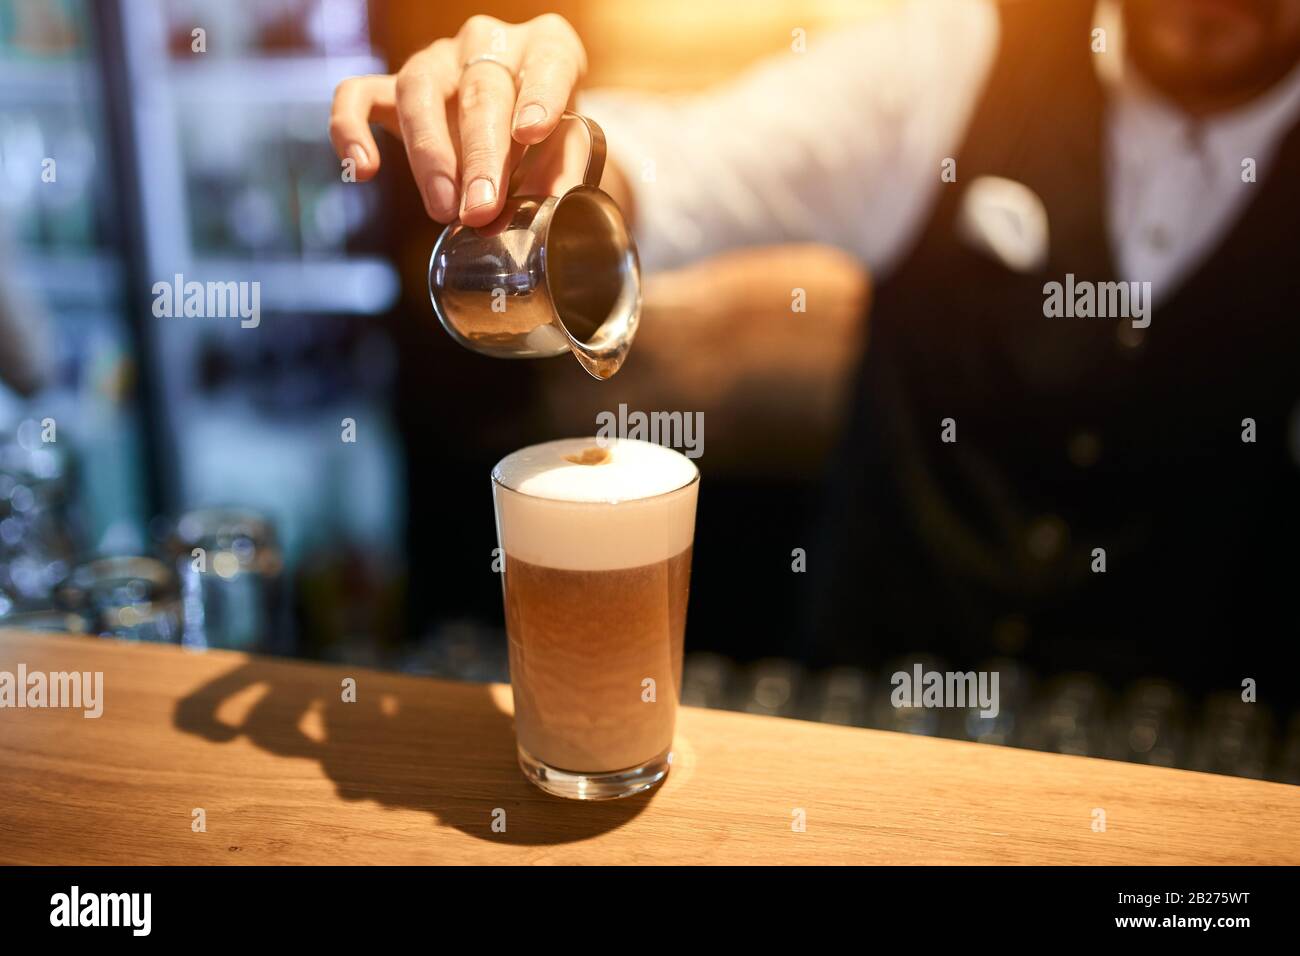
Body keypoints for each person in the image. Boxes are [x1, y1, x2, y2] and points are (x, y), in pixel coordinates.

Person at [331, 0, 1300, 708]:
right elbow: (681, 164)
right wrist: (546, 160)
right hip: (873, 722)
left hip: (1212, 753)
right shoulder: (957, 56)